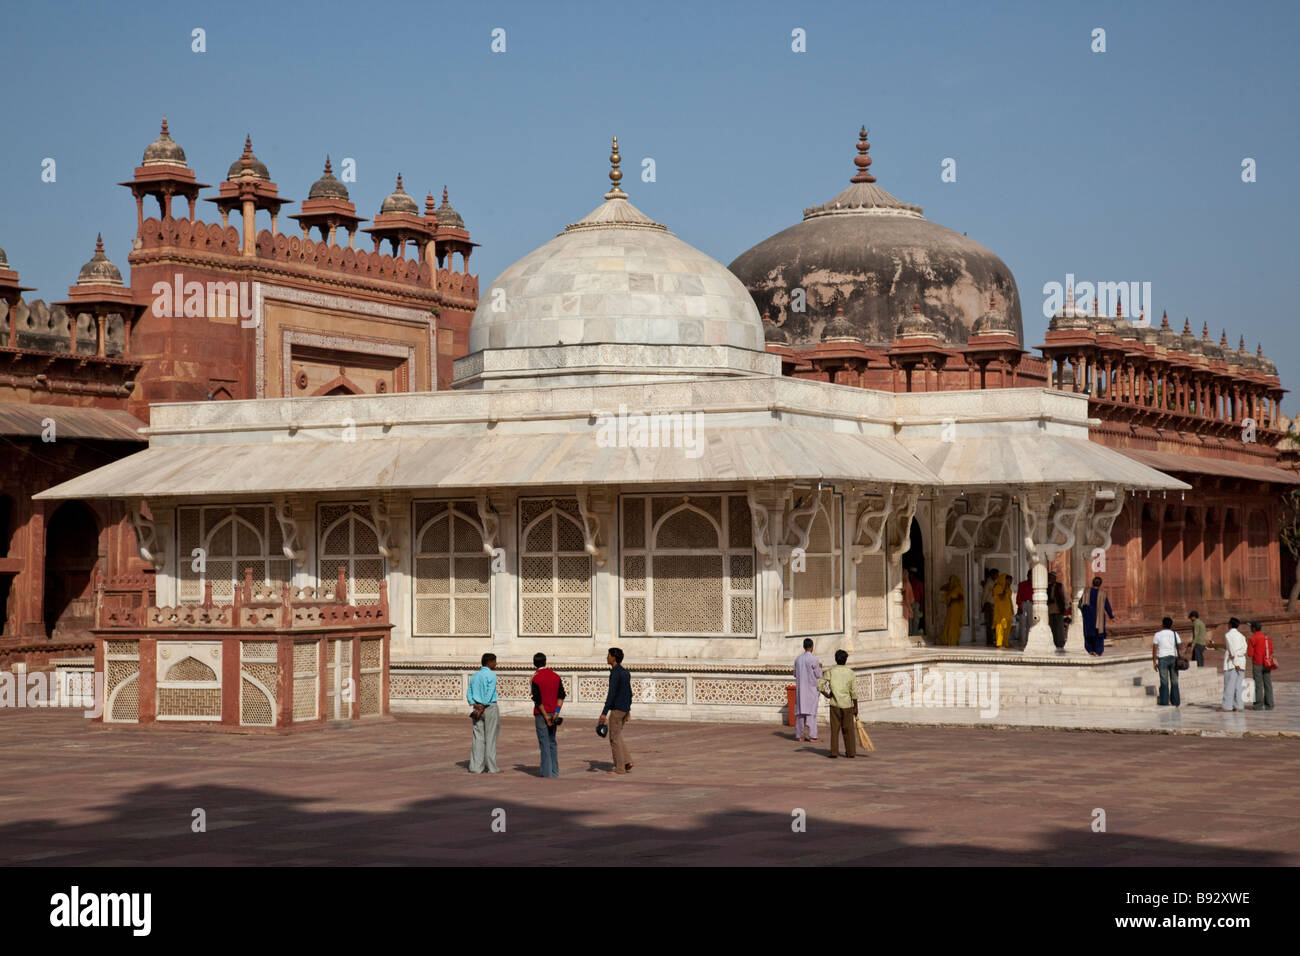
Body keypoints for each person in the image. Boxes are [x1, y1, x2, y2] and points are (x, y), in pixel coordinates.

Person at [530, 652, 566, 778]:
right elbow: (561, 695)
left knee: (544, 743)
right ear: (545, 662)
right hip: (553, 713)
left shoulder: (535, 678)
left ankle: (547, 772)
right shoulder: (555, 676)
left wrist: (545, 716)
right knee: (552, 742)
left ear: (534, 664)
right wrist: (556, 712)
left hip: (542, 714)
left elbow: (537, 700)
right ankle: (555, 771)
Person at [598, 647, 633, 774]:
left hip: (617, 709)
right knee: (618, 735)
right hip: (623, 709)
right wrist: (628, 710)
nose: (607, 657)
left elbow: (611, 694)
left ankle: (619, 768)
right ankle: (627, 761)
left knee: (614, 738)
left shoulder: (615, 673)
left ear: (613, 657)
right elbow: (629, 693)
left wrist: (604, 713)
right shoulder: (625, 672)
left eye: (608, 655)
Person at [820, 649, 859, 758]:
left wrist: (827, 694)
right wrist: (855, 706)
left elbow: (819, 685)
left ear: (835, 659)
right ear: (846, 660)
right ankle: (850, 752)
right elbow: (853, 691)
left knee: (835, 729)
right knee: (848, 730)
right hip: (847, 705)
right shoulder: (850, 672)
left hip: (834, 705)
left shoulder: (831, 671)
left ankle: (834, 752)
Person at [467, 652, 500, 774]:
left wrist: (475, 704)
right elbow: (490, 693)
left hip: (477, 708)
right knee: (490, 737)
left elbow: (469, 692)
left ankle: (476, 767)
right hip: (489, 707)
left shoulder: (475, 676)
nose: (496, 664)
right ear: (489, 662)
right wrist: (483, 706)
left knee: (478, 738)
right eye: (495, 661)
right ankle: (492, 767)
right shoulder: (491, 675)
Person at [1210, 618, 1249, 712]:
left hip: (1232, 663)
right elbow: (1244, 649)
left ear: (1230, 625)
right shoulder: (1241, 636)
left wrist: (1235, 663)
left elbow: (1232, 651)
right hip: (1241, 662)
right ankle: (1238, 706)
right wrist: (1238, 660)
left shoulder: (1228, 635)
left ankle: (1227, 706)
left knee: (1229, 685)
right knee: (1239, 685)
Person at [793, 638, 823, 741]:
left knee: (800, 713)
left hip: (801, 690)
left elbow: (795, 674)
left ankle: (800, 736)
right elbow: (818, 674)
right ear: (812, 646)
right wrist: (820, 667)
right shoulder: (814, 659)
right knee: (811, 713)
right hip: (811, 689)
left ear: (803, 647)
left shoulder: (797, 659)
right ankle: (813, 736)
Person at [1080, 576, 1115, 656]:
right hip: (1098, 617)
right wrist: (1111, 616)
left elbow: (1081, 603)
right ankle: (1097, 651)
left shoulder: (1087, 591)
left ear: (1093, 583)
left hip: (1088, 616)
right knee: (1098, 634)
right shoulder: (1102, 593)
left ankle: (1090, 650)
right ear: (1100, 584)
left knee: (1089, 634)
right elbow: (1107, 606)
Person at [1152, 616, 1181, 707]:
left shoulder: (1158, 634)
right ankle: (1175, 701)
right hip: (1173, 658)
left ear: (1162, 624)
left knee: (1164, 681)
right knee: (1174, 681)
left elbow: (1155, 648)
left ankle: (1164, 701)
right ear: (1171, 625)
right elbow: (1179, 645)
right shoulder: (1175, 634)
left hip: (1162, 658)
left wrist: (1154, 661)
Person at [1246, 622, 1276, 711]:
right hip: (1267, 663)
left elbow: (1250, 654)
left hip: (1257, 663)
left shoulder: (1252, 638)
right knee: (1268, 683)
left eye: (1251, 627)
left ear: (1254, 628)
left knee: (1258, 684)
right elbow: (1271, 650)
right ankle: (1269, 704)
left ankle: (1258, 705)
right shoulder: (1267, 638)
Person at [939, 574, 965, 647]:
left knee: (953, 625)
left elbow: (961, 598)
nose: (950, 582)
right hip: (951, 609)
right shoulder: (951, 589)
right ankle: (946, 640)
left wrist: (952, 599)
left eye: (950, 580)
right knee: (948, 624)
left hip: (956, 610)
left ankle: (953, 640)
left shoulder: (958, 589)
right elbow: (941, 589)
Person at [1047, 571, 1069, 650]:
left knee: (1059, 626)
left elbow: (1065, 596)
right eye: (1050, 578)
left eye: (1052, 578)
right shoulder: (1047, 587)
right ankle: (1053, 642)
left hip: (1058, 608)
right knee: (1052, 626)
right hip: (1050, 609)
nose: (1051, 579)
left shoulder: (1060, 586)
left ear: (1055, 578)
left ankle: (1060, 642)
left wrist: (1066, 607)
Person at [992, 573, 1015, 648]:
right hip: (1000, 611)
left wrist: (1012, 609)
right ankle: (999, 643)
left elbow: (1009, 599)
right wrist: (1005, 589)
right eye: (1009, 581)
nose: (1010, 583)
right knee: (1000, 627)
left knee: (1007, 627)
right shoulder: (998, 587)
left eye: (1011, 581)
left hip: (1007, 611)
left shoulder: (1008, 588)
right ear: (1004, 580)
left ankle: (1005, 642)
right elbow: (1001, 597)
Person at [980, 568, 999, 646]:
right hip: (989, 604)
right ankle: (990, 641)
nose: (997, 576)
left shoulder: (995, 582)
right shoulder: (989, 583)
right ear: (992, 575)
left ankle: (993, 639)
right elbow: (984, 594)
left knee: (993, 623)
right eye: (996, 574)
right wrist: (983, 604)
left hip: (994, 605)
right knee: (990, 624)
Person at [1015, 573, 1034, 645]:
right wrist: (1019, 606)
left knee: (1030, 623)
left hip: (1032, 604)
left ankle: (1028, 640)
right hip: (1024, 603)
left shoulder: (1035, 584)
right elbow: (1019, 595)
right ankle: (1022, 641)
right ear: (1028, 576)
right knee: (1022, 623)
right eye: (1030, 575)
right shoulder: (1022, 584)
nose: (1031, 577)